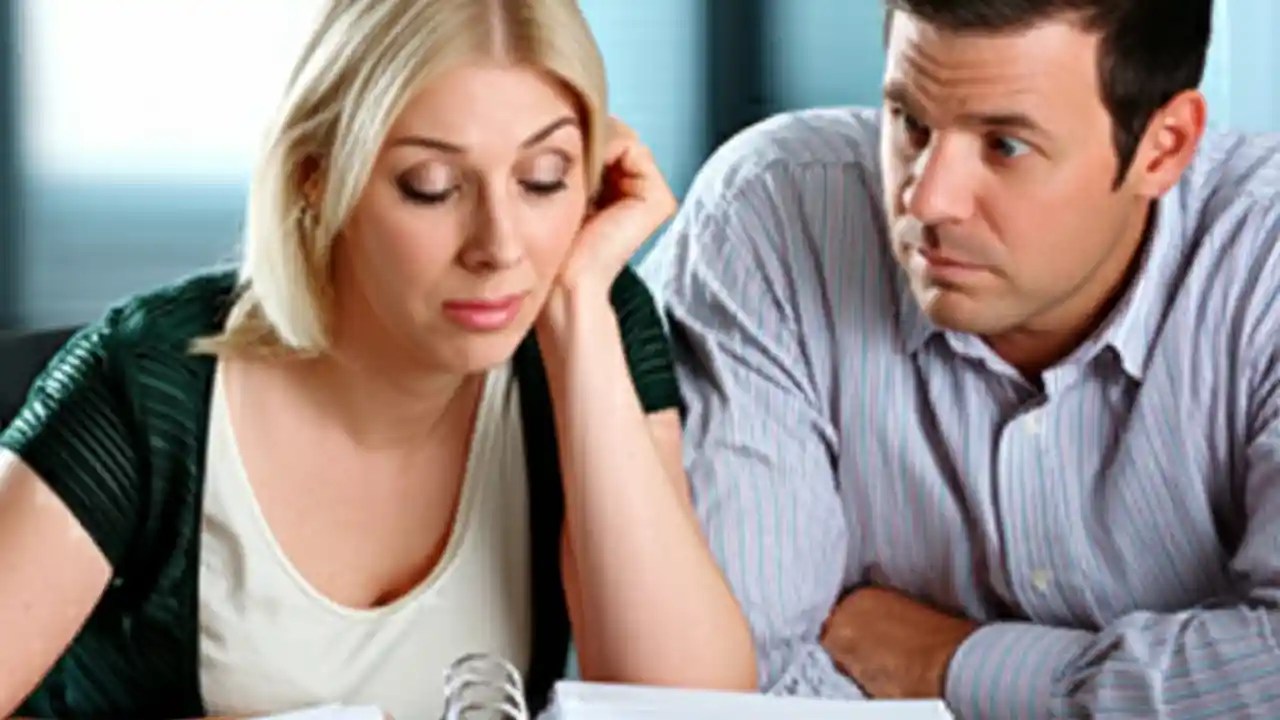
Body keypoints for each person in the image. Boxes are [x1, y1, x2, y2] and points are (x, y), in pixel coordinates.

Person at [0, 1, 757, 718]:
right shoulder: (143, 383)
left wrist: (578, 312)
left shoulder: (589, 322)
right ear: (316, 177)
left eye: (543, 179)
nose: (499, 247)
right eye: (431, 187)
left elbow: (690, 708)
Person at [643, 0, 1280, 717]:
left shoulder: (1265, 262)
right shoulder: (772, 221)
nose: (928, 199)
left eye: (1005, 145)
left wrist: (952, 663)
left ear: (1163, 147)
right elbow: (744, 688)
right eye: (910, 123)